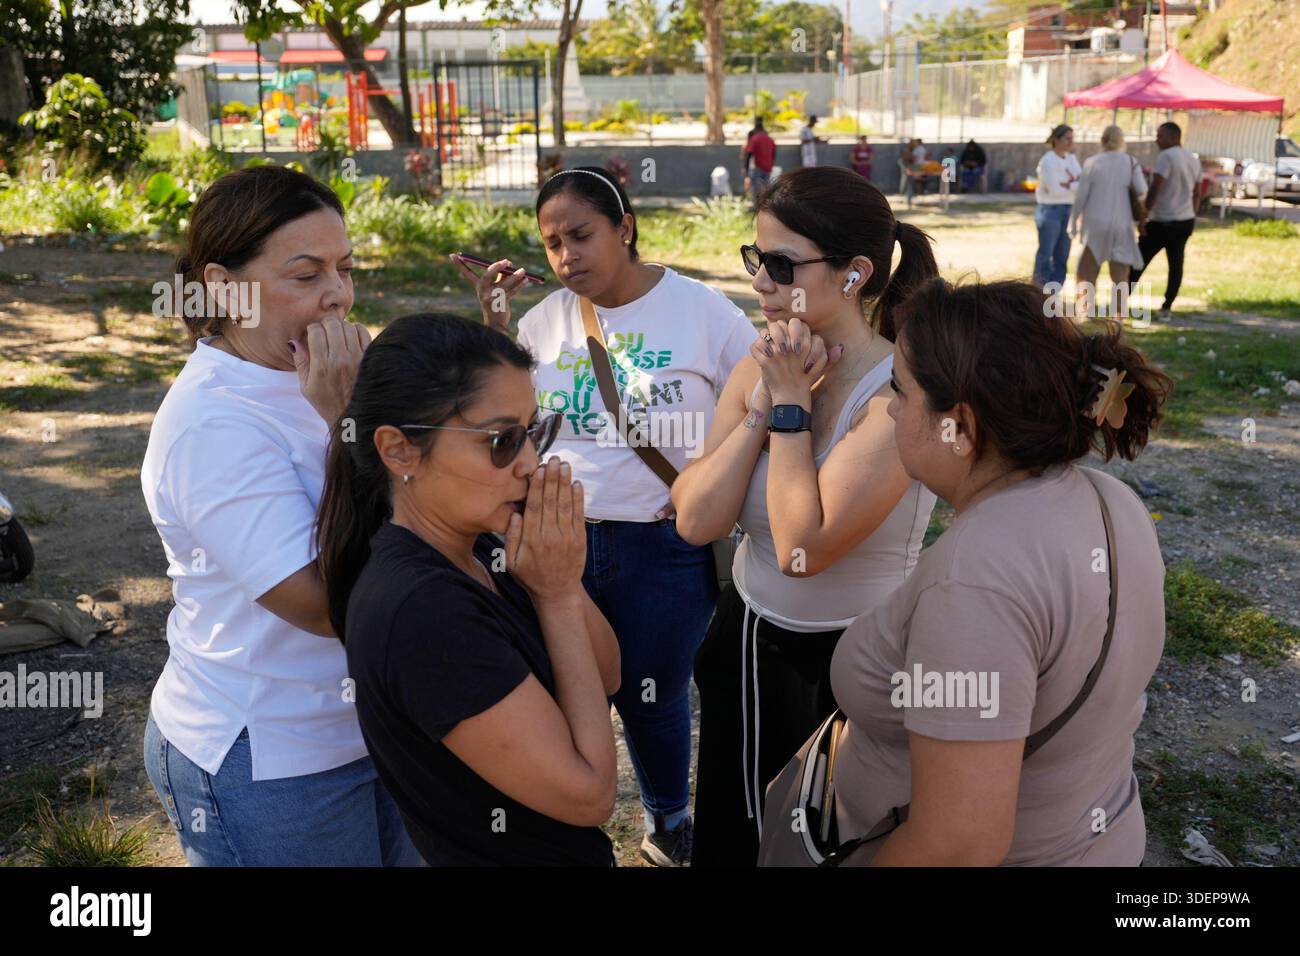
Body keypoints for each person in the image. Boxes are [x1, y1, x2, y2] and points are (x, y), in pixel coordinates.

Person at [451, 166, 756, 866]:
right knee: (559, 689)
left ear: (625, 228)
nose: (566, 258)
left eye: (582, 236)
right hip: (556, 538)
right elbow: (495, 413)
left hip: (665, 545)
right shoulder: (541, 319)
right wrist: (494, 325)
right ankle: (566, 828)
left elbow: (756, 403)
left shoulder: (705, 312)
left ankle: (669, 820)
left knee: (654, 695)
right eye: (552, 243)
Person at [828, 277, 1173, 865]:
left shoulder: (974, 584)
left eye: (901, 391)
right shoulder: (1112, 500)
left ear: (957, 427)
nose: (889, 408)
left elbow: (956, 845)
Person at [139, 165, 421, 866]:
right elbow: (324, 605)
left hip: (378, 724)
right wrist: (349, 427)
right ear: (222, 285)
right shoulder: (212, 423)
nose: (339, 296)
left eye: (346, 268)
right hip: (271, 755)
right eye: (306, 275)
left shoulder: (322, 376)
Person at [672, 166, 940, 866]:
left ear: (854, 274)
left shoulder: (898, 395)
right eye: (756, 258)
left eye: (783, 264)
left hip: (846, 660)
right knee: (735, 827)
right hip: (747, 635)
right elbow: (696, 521)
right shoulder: (759, 367)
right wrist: (765, 404)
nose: (761, 281)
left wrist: (789, 407)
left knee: (822, 841)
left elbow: (807, 545)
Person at [319, 313, 622, 865]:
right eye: (502, 440)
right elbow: (590, 795)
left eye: (534, 431)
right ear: (399, 451)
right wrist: (553, 598)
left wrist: (564, 583)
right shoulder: (424, 613)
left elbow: (607, 675)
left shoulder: (482, 541)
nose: (531, 463)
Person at [1070, 124, 1147, 320]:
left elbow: (1081, 196)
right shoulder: (1131, 162)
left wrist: (1072, 221)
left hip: (1095, 223)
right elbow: (1141, 190)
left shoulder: (1092, 162)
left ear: (1103, 140)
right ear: (1122, 141)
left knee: (1086, 270)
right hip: (1121, 223)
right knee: (1120, 272)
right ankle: (1118, 313)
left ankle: (1085, 310)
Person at [1129, 122, 1201, 320]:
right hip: (1185, 220)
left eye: (1160, 136)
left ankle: (1120, 301)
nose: (1156, 140)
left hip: (1163, 220)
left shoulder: (1166, 156)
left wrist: (1144, 215)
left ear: (1173, 137)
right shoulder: (1193, 158)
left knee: (1138, 260)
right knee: (1176, 264)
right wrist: (1192, 213)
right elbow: (1197, 191)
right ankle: (1167, 307)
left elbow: (1155, 188)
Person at [1034, 123, 1082, 294]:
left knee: (1062, 255)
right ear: (1056, 140)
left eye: (1072, 138)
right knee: (1046, 254)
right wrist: (1072, 185)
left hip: (1069, 210)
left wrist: (1067, 184)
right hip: (1050, 210)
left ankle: (1054, 292)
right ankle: (1039, 291)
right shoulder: (1048, 160)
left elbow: (1081, 184)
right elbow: (1054, 190)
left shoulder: (1071, 159)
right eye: (1067, 138)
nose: (1071, 142)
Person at [742, 117, 777, 209]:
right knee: (765, 188)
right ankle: (765, 206)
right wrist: (771, 163)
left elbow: (749, 154)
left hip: (758, 167)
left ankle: (756, 207)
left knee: (755, 188)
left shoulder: (755, 138)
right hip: (768, 166)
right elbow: (774, 153)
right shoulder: (770, 139)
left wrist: (746, 169)